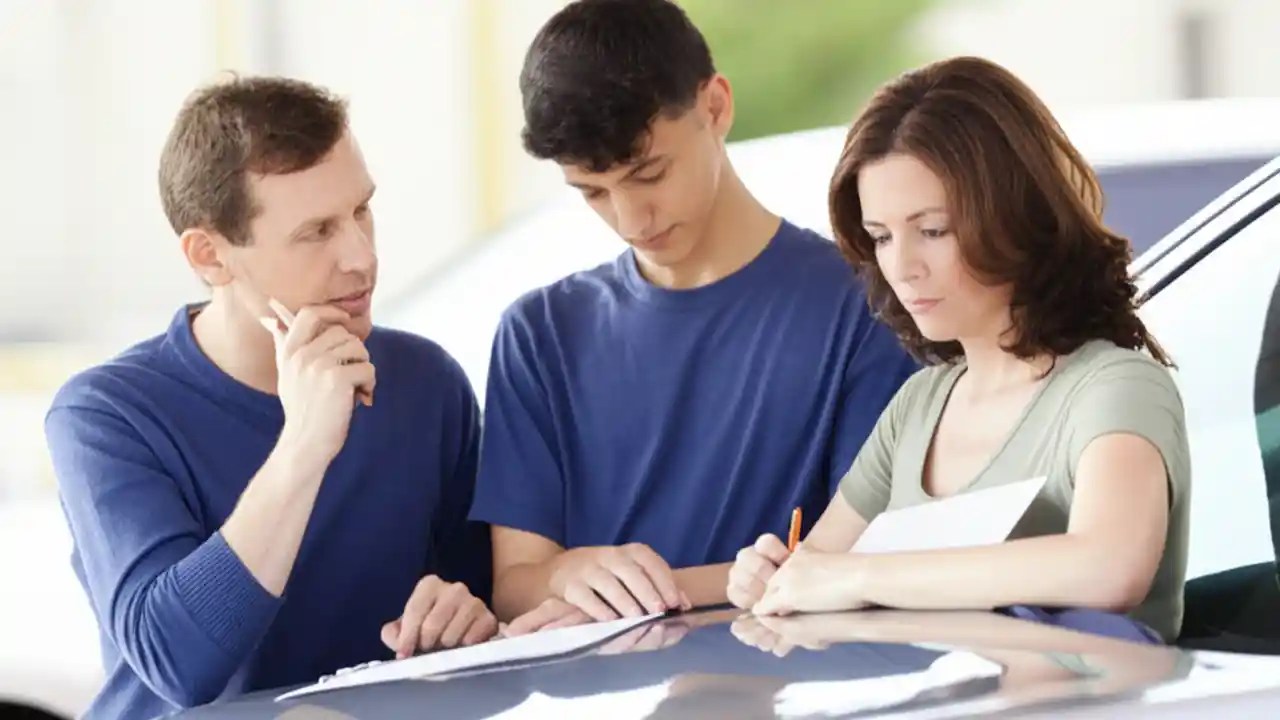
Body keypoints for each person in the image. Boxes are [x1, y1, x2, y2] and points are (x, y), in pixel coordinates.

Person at [44, 76, 495, 719]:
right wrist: (305, 443)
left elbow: (485, 606)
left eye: (361, 211)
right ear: (210, 256)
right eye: (316, 232)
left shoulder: (427, 383)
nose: (361, 258)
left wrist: (465, 614)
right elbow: (178, 665)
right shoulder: (106, 416)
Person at [473, 0, 917, 631]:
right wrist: (565, 575)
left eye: (649, 173)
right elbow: (515, 584)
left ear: (715, 107)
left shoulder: (865, 306)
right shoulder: (538, 336)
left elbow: (861, 556)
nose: (631, 221)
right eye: (593, 192)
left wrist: (633, 596)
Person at [727, 55, 1192, 644]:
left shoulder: (1114, 387)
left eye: (933, 231)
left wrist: (860, 577)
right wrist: (770, 579)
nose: (902, 267)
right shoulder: (919, 405)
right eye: (881, 238)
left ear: (1017, 216)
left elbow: (1108, 567)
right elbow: (816, 571)